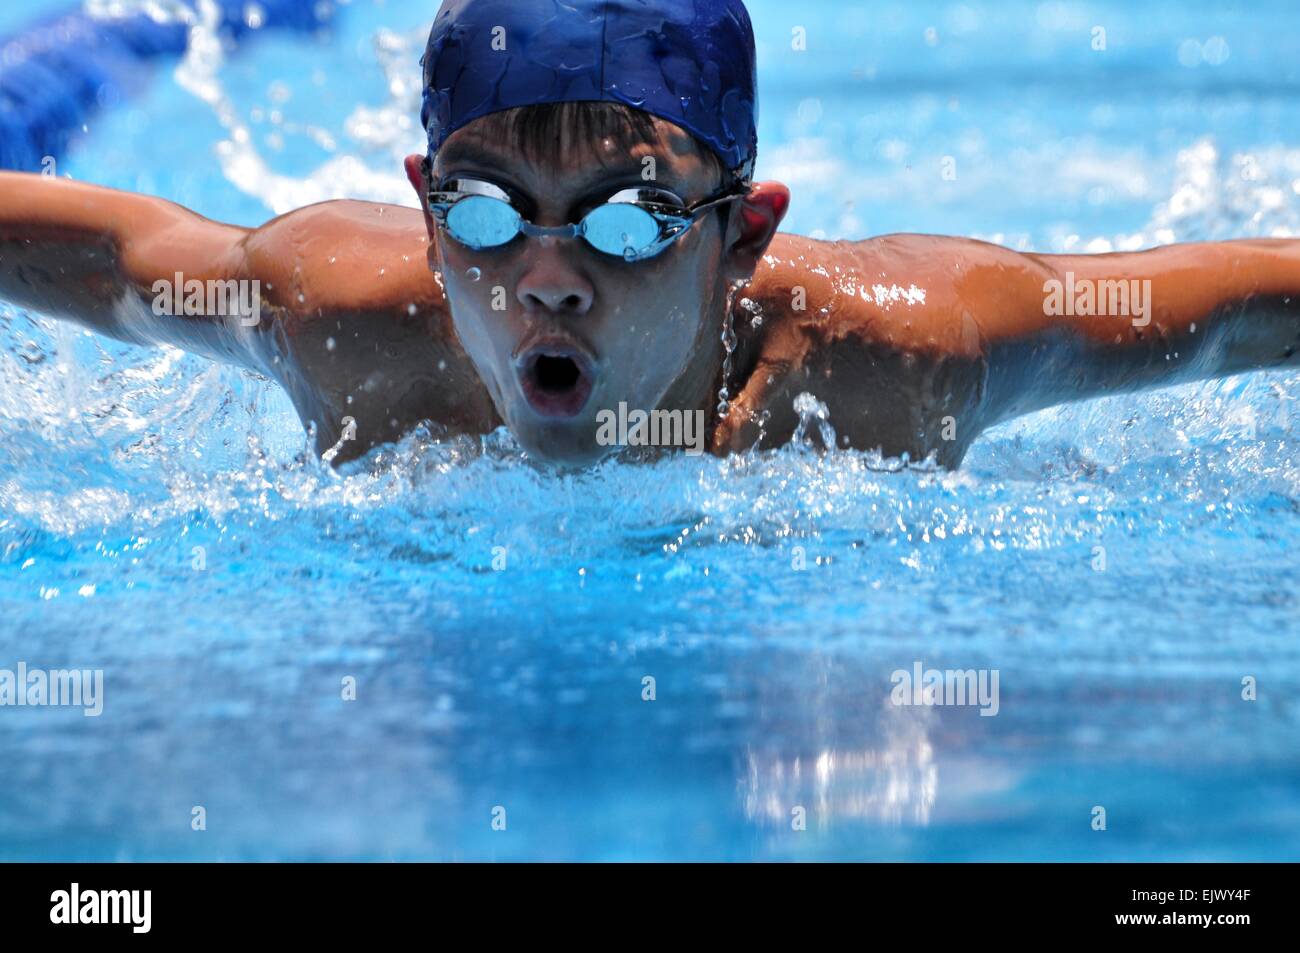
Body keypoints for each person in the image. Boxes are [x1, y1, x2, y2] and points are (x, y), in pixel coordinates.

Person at [1, 0, 1298, 468]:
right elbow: (119, 260)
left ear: (745, 237)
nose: (545, 281)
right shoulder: (346, 330)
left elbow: (1234, 307)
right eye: (488, 215)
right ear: (425, 214)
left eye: (628, 223)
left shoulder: (900, 360)